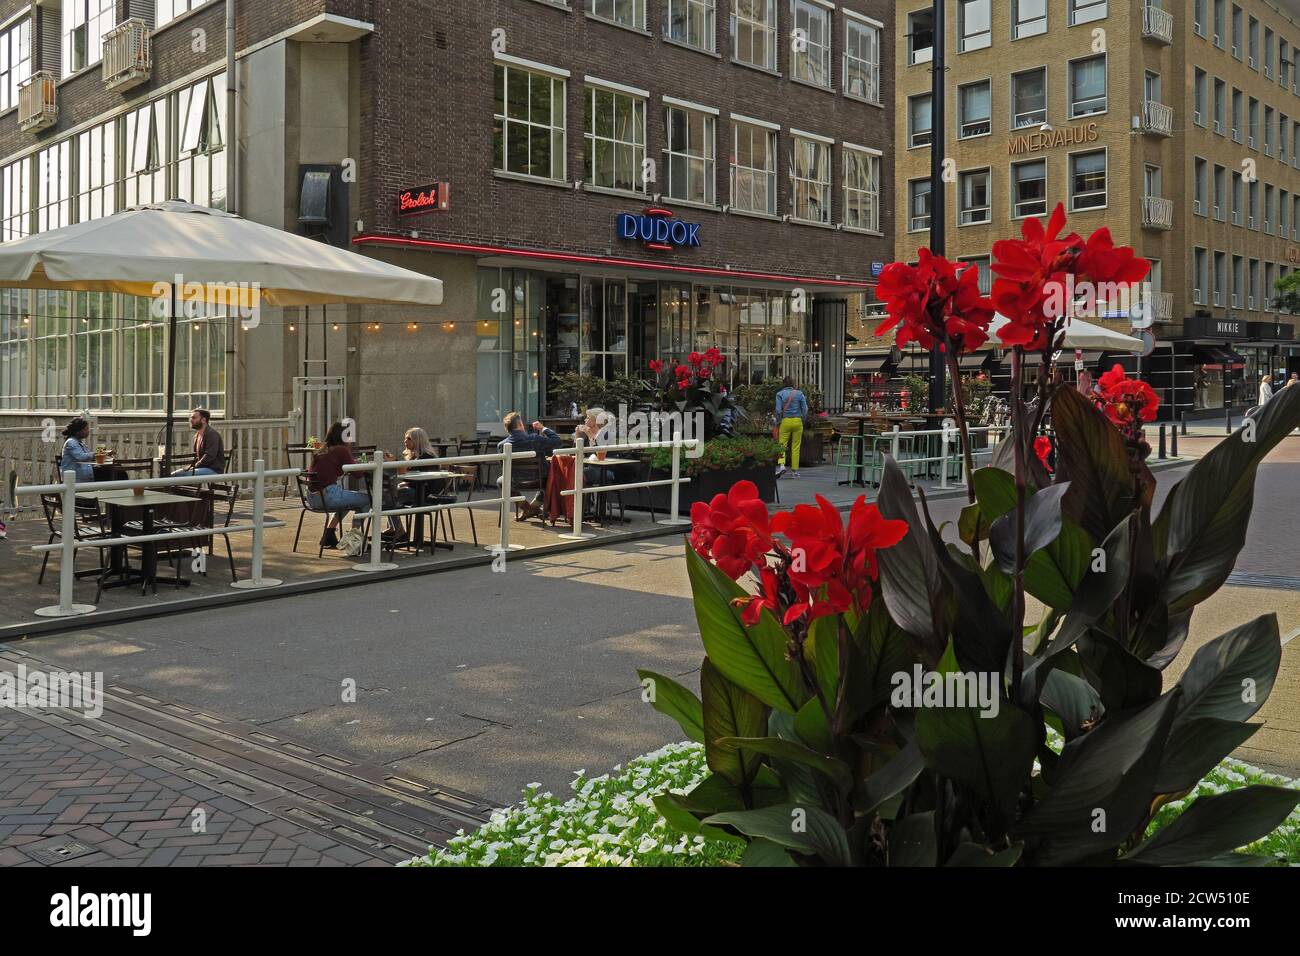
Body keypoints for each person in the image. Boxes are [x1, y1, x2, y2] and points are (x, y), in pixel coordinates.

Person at [307, 421, 371, 549]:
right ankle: (354, 539)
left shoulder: (321, 450)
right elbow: (358, 474)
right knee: (367, 500)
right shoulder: (342, 450)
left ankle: (328, 534)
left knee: (348, 500)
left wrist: (352, 464)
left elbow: (331, 468)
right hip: (329, 496)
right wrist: (367, 466)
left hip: (312, 498)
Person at [500, 412, 563, 519]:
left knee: (501, 481)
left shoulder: (501, 445)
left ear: (507, 429)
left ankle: (526, 508)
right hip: (538, 480)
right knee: (551, 479)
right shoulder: (535, 439)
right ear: (520, 424)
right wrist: (543, 428)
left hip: (515, 481)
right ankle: (532, 508)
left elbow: (503, 468)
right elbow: (557, 442)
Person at [172, 408, 224, 477]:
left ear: (203, 420)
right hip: (202, 467)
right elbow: (196, 456)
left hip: (213, 469)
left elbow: (209, 456)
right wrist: (190, 466)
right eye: (191, 418)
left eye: (194, 418)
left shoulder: (212, 434)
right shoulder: (196, 436)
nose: (191, 420)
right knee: (173, 474)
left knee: (181, 474)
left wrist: (195, 466)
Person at [774, 377, 808, 478]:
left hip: (785, 421)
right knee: (796, 446)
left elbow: (778, 410)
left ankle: (782, 465)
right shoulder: (799, 394)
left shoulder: (779, 394)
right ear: (793, 384)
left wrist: (779, 420)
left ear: (783, 384)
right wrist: (803, 420)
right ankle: (794, 471)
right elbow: (805, 409)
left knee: (782, 445)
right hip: (798, 421)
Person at [58, 417, 96, 483]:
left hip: (83, 479)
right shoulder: (71, 442)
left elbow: (88, 457)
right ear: (78, 431)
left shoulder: (80, 443)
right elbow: (82, 457)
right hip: (74, 480)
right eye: (86, 429)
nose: (88, 431)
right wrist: (95, 455)